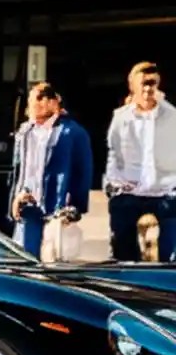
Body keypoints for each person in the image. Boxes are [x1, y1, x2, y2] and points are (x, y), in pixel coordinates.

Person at [9, 82, 93, 258]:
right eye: (33, 99)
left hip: (57, 205)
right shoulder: (26, 131)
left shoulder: (71, 132)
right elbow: (20, 169)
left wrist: (76, 206)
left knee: (55, 259)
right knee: (24, 258)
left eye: (40, 99)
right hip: (28, 203)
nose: (34, 104)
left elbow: (83, 170)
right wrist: (16, 195)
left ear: (54, 102)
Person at [104, 61, 176, 261]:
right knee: (123, 255)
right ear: (132, 86)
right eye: (143, 83)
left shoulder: (172, 116)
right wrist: (112, 184)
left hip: (165, 193)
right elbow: (114, 152)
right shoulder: (120, 117)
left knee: (170, 256)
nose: (147, 88)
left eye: (152, 83)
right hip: (129, 192)